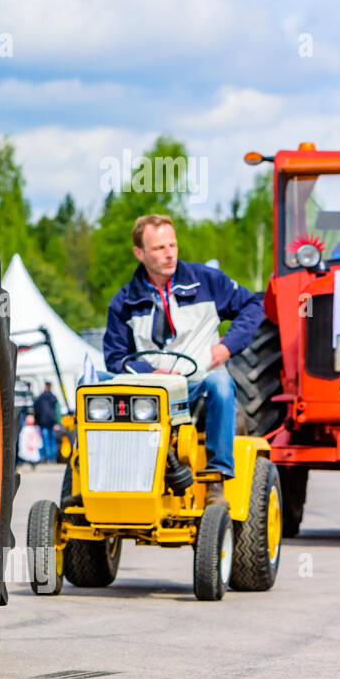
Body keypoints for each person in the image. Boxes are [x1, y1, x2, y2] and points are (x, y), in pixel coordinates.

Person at [103, 214, 264, 507]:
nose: (169, 254)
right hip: (151, 392)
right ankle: (105, 477)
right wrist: (150, 371)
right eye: (159, 248)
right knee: (93, 389)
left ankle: (217, 476)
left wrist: (228, 346)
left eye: (172, 245)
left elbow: (252, 305)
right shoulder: (123, 302)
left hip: (198, 384)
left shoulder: (208, 281)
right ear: (139, 253)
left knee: (221, 382)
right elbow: (115, 358)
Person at [33, 381, 60, 463]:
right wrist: (57, 422)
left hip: (43, 422)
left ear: (45, 387)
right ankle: (53, 458)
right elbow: (58, 411)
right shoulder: (53, 397)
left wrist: (36, 420)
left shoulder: (40, 397)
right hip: (52, 422)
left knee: (45, 440)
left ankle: (47, 458)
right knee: (53, 440)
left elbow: (36, 410)